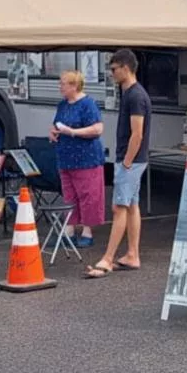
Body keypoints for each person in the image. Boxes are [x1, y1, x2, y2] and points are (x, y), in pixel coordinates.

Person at [86, 49, 150, 279]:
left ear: (125, 67)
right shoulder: (131, 94)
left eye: (114, 69)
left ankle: (108, 258)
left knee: (119, 207)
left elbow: (137, 134)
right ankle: (132, 254)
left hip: (130, 159)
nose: (111, 73)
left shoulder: (135, 96)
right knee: (132, 205)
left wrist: (127, 161)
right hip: (133, 159)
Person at [48, 70, 105, 249]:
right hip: (65, 158)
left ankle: (87, 232)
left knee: (88, 195)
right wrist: (53, 132)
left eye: (63, 83)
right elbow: (56, 124)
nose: (60, 87)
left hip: (86, 158)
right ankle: (69, 231)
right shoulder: (62, 105)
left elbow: (97, 129)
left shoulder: (88, 104)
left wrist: (73, 132)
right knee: (69, 195)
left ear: (74, 86)